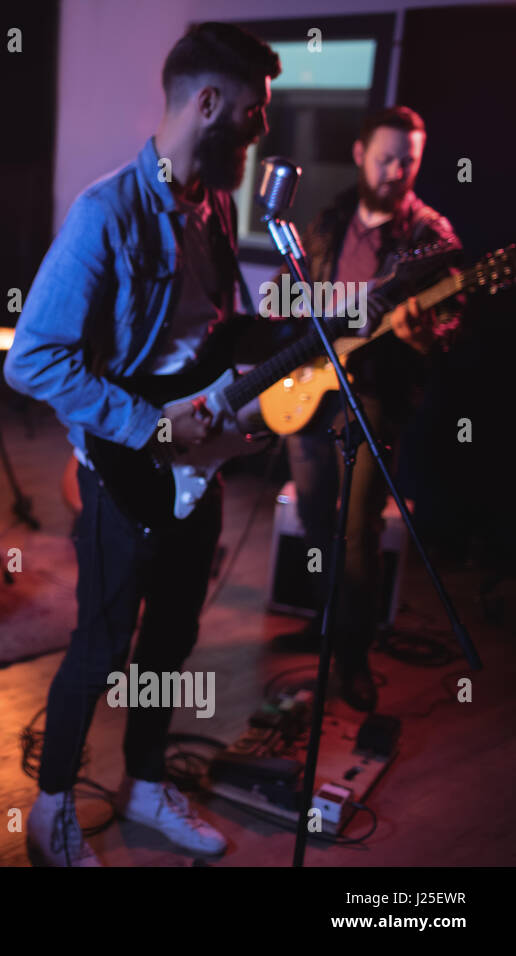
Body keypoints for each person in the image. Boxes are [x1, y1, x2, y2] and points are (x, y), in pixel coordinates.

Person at [5, 22, 281, 866]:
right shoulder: (105, 213)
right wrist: (155, 427)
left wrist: (311, 330)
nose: (259, 132)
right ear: (208, 104)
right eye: (252, 114)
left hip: (200, 463)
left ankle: (147, 781)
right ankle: (50, 808)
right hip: (130, 469)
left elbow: (209, 333)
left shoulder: (216, 207)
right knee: (103, 644)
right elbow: (32, 360)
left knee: (171, 641)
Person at [276, 106, 463, 712]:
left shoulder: (432, 239)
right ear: (360, 154)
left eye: (408, 158)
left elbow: (451, 325)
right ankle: (325, 622)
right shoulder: (327, 220)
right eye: (385, 156)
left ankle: (352, 660)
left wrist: (424, 336)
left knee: (359, 533)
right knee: (313, 517)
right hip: (309, 390)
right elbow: (294, 292)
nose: (395, 169)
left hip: (373, 396)